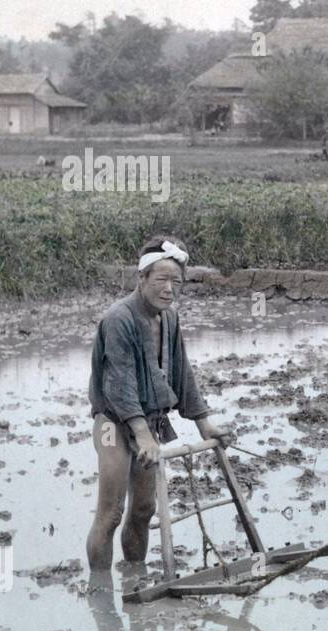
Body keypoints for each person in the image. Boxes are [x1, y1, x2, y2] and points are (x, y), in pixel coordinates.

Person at [86, 235, 232, 570]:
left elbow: (182, 371)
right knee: (110, 514)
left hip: (149, 421)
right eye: (161, 280)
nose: (169, 289)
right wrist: (142, 434)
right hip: (113, 423)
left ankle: (133, 578)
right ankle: (101, 592)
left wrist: (205, 423)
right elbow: (118, 381)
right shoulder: (118, 319)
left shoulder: (169, 318)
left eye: (176, 282)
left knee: (143, 510)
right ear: (142, 278)